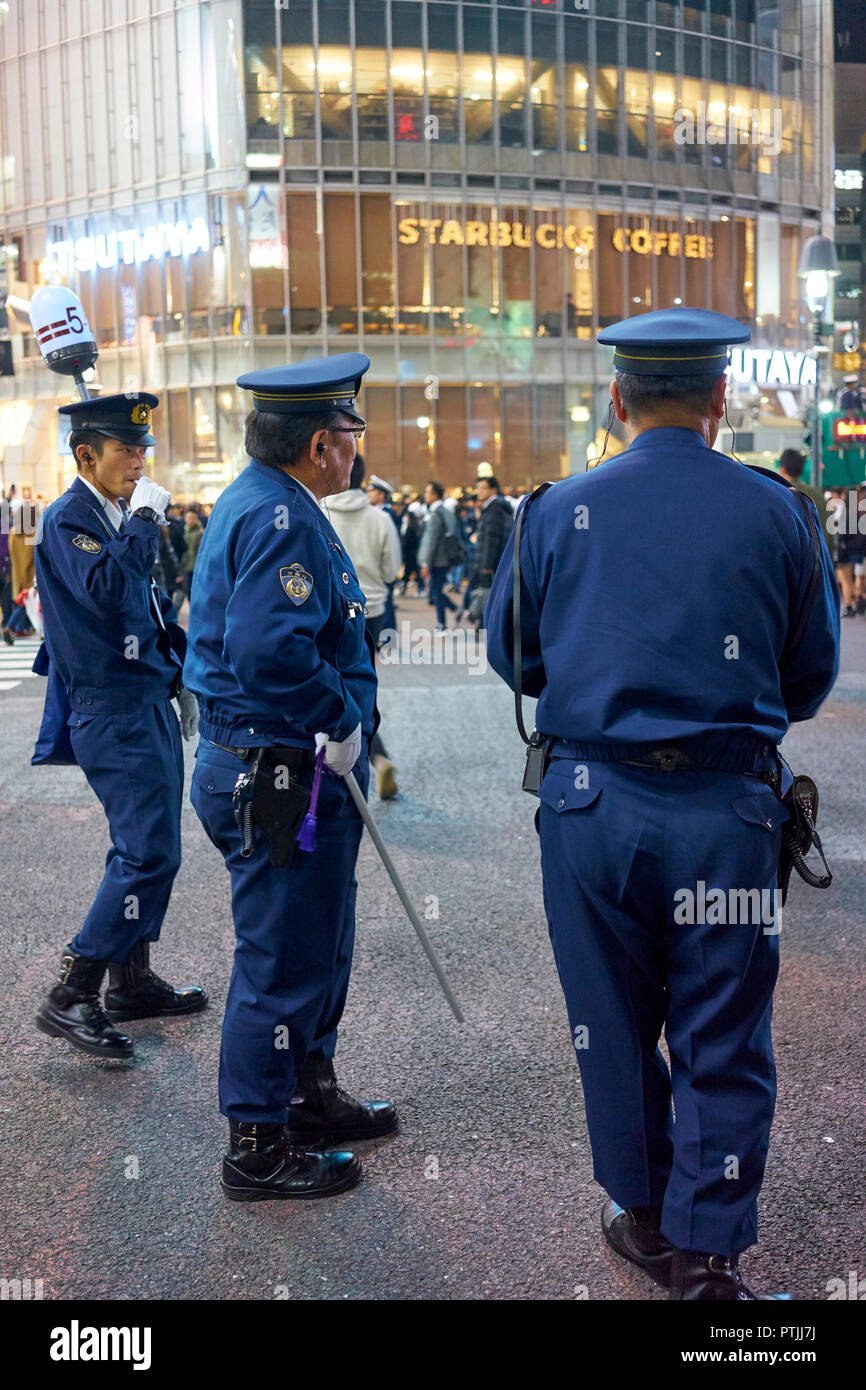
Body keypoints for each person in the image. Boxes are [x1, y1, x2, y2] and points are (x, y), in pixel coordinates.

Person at [485, 307, 840, 1301]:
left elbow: (510, 656)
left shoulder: (555, 510)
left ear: (615, 399)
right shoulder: (776, 510)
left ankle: (638, 1217)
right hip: (725, 818)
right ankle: (708, 1257)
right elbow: (806, 677)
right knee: (721, 1027)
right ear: (719, 400)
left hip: (589, 809)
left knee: (608, 1017)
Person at [184, 353, 397, 1202]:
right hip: (275, 766)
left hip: (282, 762)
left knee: (319, 944)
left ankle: (307, 1093)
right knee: (280, 959)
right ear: (320, 444)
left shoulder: (273, 501)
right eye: (351, 431)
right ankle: (257, 1144)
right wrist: (338, 718)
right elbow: (269, 648)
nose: (356, 444)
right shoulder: (281, 518)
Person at [33, 393, 206, 1062]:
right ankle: (72, 991)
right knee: (146, 852)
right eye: (126, 450)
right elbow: (106, 591)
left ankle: (131, 981)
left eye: (142, 450)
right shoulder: (68, 520)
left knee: (151, 844)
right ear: (86, 455)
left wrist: (175, 670)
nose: (139, 461)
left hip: (144, 700)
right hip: (110, 709)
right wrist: (140, 522)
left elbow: (144, 606)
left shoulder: (108, 515)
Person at [328, 454, 402, 799]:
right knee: (363, 687)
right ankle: (375, 756)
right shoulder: (380, 518)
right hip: (372, 612)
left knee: (333, 689)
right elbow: (392, 571)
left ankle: (363, 761)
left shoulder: (320, 513)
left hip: (332, 614)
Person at [467, 475, 513, 625]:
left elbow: (492, 538)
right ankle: (483, 621)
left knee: (489, 594)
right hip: (496, 560)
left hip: (492, 562)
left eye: (482, 488)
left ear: (493, 490)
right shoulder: (495, 507)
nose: (478, 491)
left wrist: (487, 564)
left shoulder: (494, 508)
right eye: (478, 488)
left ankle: (485, 622)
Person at [418, 481, 463, 629]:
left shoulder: (436, 513)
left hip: (437, 559)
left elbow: (430, 540)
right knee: (436, 590)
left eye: (427, 492)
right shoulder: (443, 511)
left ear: (435, 495)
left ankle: (441, 623)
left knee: (436, 592)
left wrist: (425, 562)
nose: (426, 496)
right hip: (443, 558)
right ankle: (454, 610)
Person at [366, 472, 400, 633]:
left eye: (372, 491)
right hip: (376, 564)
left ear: (381, 495)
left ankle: (388, 634)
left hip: (384, 563)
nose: (368, 494)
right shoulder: (372, 512)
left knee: (386, 601)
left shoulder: (387, 513)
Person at [182, 507, 204, 599]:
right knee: (186, 589)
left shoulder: (201, 532)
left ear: (197, 519)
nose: (191, 520)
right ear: (185, 519)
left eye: (193, 518)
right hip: (185, 565)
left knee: (195, 590)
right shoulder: (182, 530)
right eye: (189, 518)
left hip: (196, 566)